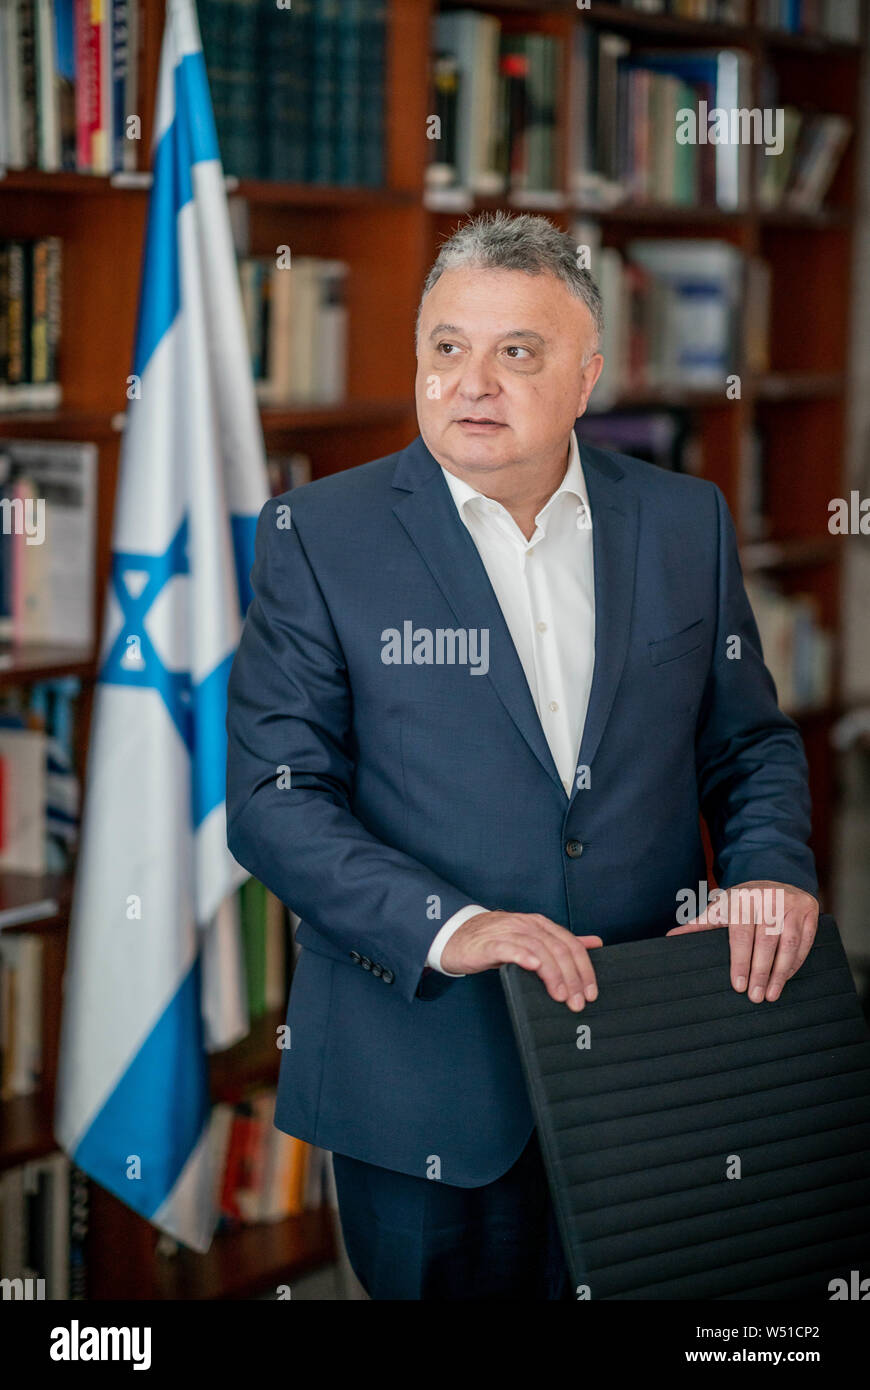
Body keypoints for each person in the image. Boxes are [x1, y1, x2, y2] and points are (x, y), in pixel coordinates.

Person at [225, 212, 819, 1300]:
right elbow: (276, 800)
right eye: (448, 348)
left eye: (518, 352)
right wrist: (457, 928)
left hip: (646, 1058)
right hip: (421, 1074)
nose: (473, 382)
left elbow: (748, 743)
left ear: (589, 374)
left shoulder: (685, 521)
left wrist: (773, 870)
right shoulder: (318, 536)